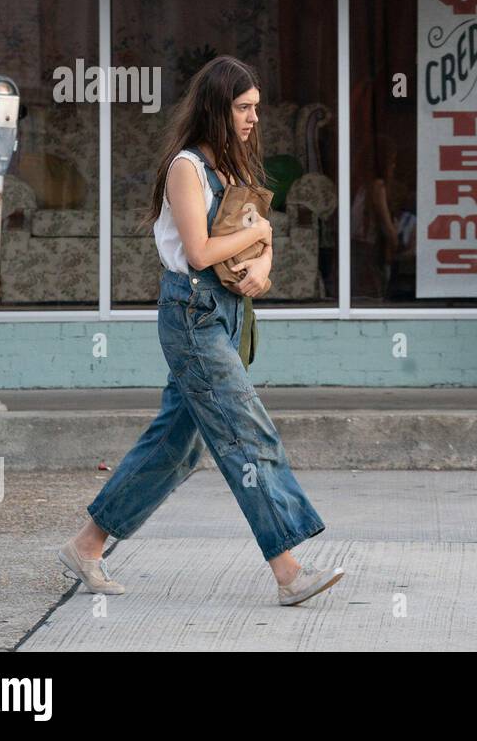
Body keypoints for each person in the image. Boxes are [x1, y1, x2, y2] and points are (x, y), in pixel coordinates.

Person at [59, 56, 345, 606]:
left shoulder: (231, 169)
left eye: (257, 108)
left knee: (176, 445)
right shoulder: (186, 168)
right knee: (245, 432)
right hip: (192, 315)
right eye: (243, 108)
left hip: (227, 313)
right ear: (217, 108)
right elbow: (199, 252)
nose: (253, 118)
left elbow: (258, 240)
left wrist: (263, 263)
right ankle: (289, 571)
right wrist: (258, 232)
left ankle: (87, 545)